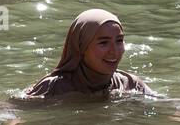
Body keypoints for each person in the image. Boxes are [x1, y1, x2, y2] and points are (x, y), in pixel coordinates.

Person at [22, 8, 155, 100]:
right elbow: (7, 108)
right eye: (104, 43)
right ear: (81, 47)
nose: (114, 50)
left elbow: (165, 104)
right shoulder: (53, 88)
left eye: (119, 41)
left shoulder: (130, 84)